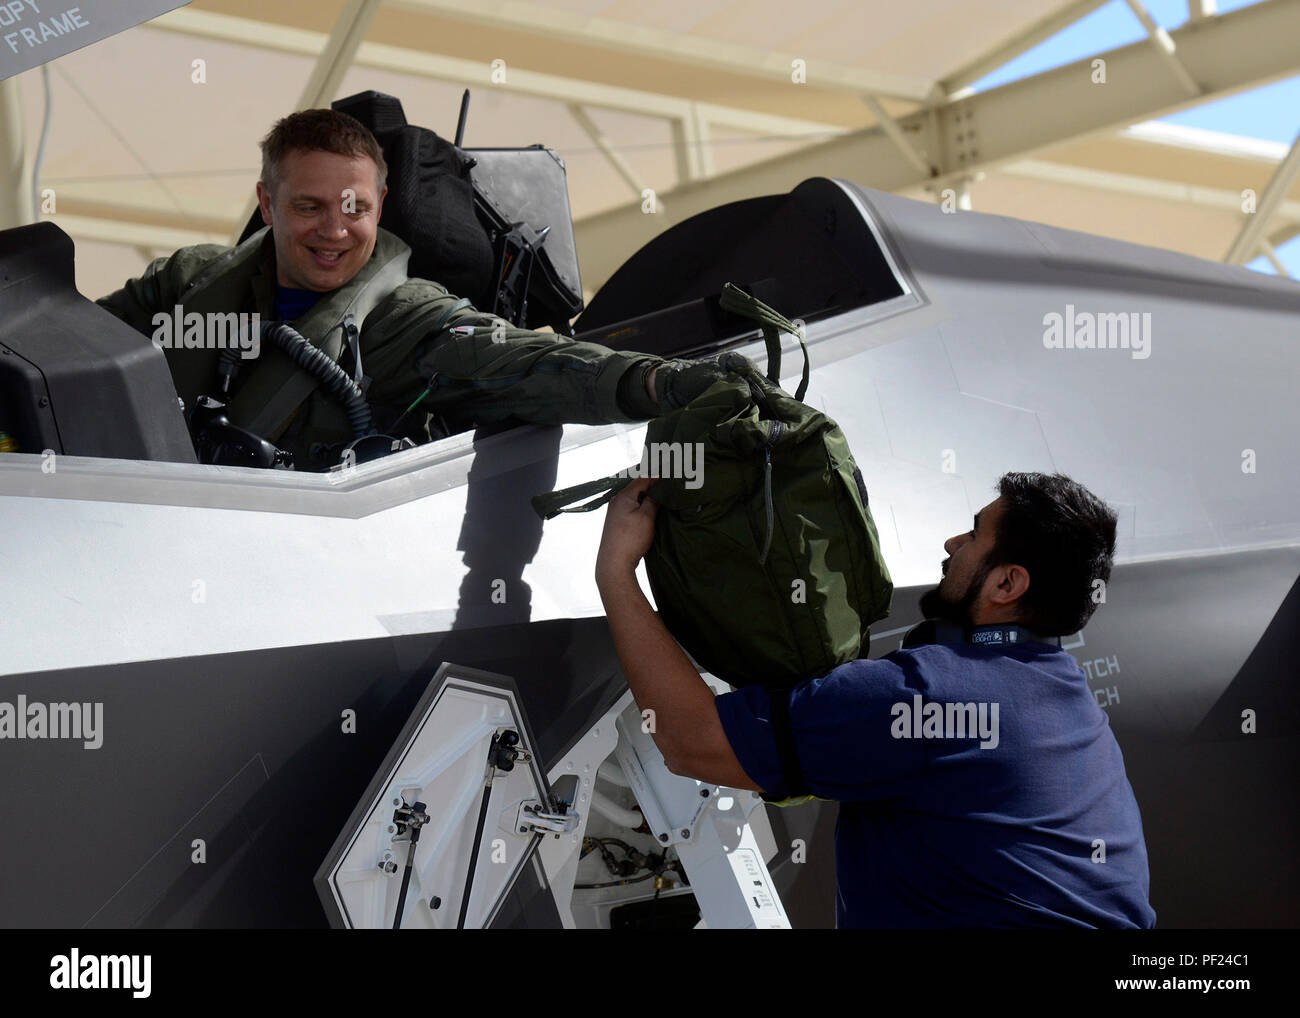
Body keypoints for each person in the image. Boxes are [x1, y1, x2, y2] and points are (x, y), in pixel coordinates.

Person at [595, 470, 1157, 929]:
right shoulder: (1070, 699)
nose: (952, 544)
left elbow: (692, 742)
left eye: (974, 535)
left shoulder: (929, 695)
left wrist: (617, 571)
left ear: (1007, 585)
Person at [95, 108, 722, 469]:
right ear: (266, 203)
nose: (335, 231)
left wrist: (654, 382)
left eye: (355, 208)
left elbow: (522, 360)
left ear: (381, 204)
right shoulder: (189, 280)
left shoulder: (400, 320)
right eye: (309, 206)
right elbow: (67, 355)